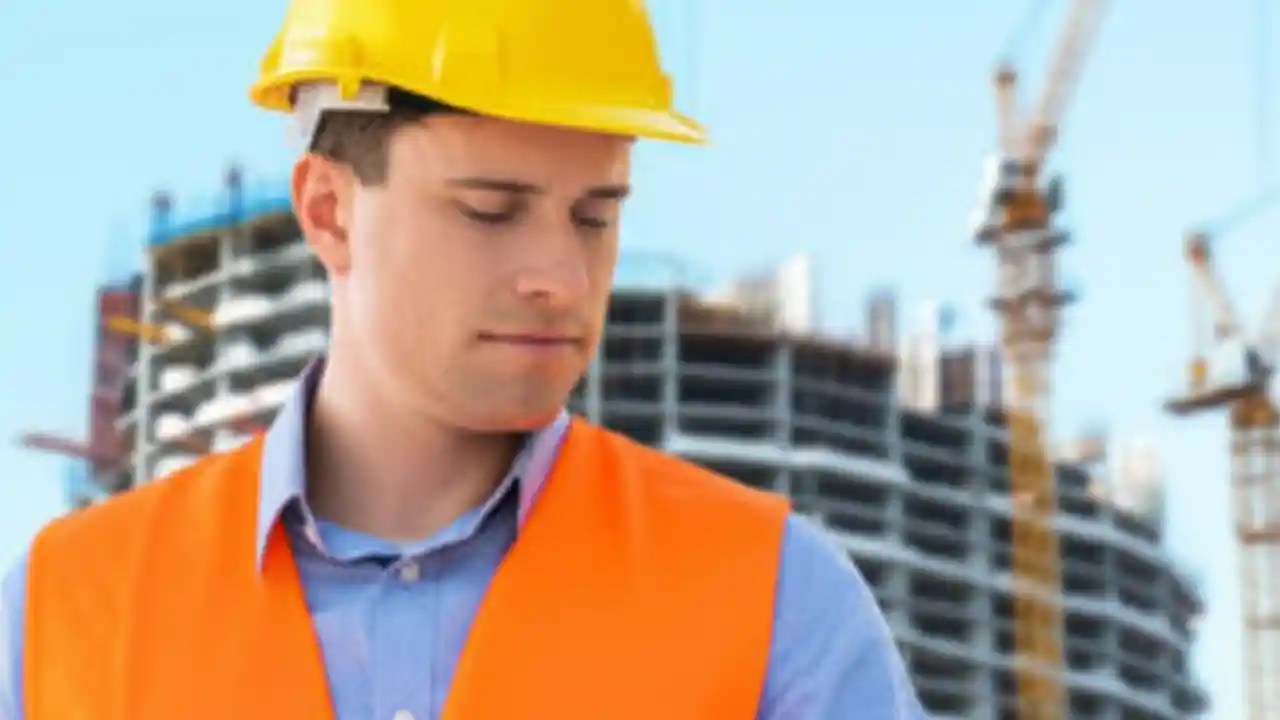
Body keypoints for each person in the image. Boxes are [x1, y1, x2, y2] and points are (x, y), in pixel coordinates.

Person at [0, 1, 928, 718]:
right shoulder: (58, 620)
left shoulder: (777, 605)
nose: (561, 278)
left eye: (595, 217)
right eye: (490, 211)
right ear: (329, 210)